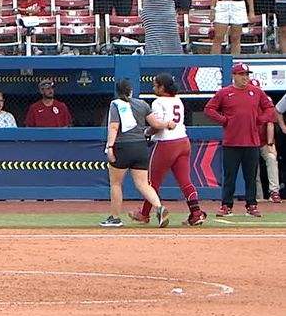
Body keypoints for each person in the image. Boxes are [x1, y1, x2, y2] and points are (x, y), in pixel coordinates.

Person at [128, 73, 207, 227]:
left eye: (155, 85)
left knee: (152, 181)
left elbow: (157, 126)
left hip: (167, 143)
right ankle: (196, 213)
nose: (153, 88)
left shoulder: (158, 102)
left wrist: (146, 133)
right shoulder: (178, 100)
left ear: (162, 87)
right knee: (185, 181)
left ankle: (144, 214)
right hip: (183, 141)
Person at [204, 63, 274, 218]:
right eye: (241, 74)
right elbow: (209, 109)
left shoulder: (256, 92)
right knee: (230, 176)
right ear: (234, 76)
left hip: (251, 142)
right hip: (231, 142)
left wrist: (260, 120)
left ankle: (251, 205)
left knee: (251, 176)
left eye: (247, 74)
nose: (245, 77)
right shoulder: (225, 93)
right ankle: (226, 205)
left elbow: (269, 108)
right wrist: (223, 120)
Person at [102, 78, 173, 228]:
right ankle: (159, 207)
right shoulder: (142, 104)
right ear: (131, 91)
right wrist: (168, 124)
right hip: (140, 147)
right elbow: (155, 124)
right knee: (143, 184)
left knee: (116, 183)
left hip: (123, 146)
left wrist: (110, 147)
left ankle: (115, 218)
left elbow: (114, 127)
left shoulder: (115, 105)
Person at [250, 79, 281, 204]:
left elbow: (270, 123)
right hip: (250, 141)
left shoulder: (266, 100)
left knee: (271, 158)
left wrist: (270, 144)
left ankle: (274, 192)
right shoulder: (245, 102)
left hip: (264, 141)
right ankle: (257, 196)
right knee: (253, 167)